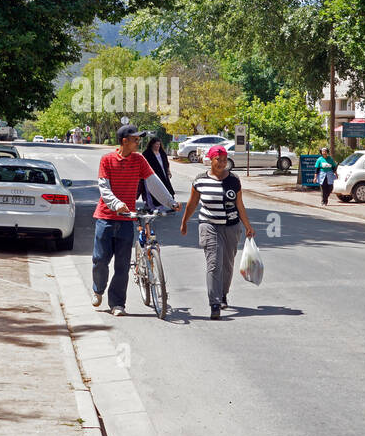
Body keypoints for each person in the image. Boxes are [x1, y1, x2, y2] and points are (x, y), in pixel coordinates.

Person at [92, 125, 180, 316]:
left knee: (122, 265)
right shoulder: (107, 159)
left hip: (126, 220)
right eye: (135, 139)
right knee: (100, 260)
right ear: (124, 141)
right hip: (106, 218)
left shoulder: (139, 160)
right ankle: (98, 289)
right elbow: (104, 187)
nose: (138, 142)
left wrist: (170, 201)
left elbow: (154, 182)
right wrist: (116, 204)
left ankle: (117, 304)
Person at [180, 145, 256, 320]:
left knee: (227, 263)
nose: (222, 163)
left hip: (231, 226)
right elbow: (192, 203)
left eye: (224, 160)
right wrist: (184, 222)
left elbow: (239, 204)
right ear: (210, 160)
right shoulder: (200, 180)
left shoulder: (234, 180)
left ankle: (223, 294)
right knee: (214, 263)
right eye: (218, 160)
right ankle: (214, 303)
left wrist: (247, 226)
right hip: (209, 225)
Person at [139, 136, 174, 211]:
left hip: (163, 174)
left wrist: (168, 171)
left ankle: (171, 204)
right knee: (152, 190)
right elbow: (143, 165)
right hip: (152, 175)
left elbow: (166, 163)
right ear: (152, 144)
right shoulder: (147, 153)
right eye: (156, 144)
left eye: (159, 144)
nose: (157, 146)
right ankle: (152, 206)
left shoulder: (162, 153)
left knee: (166, 189)